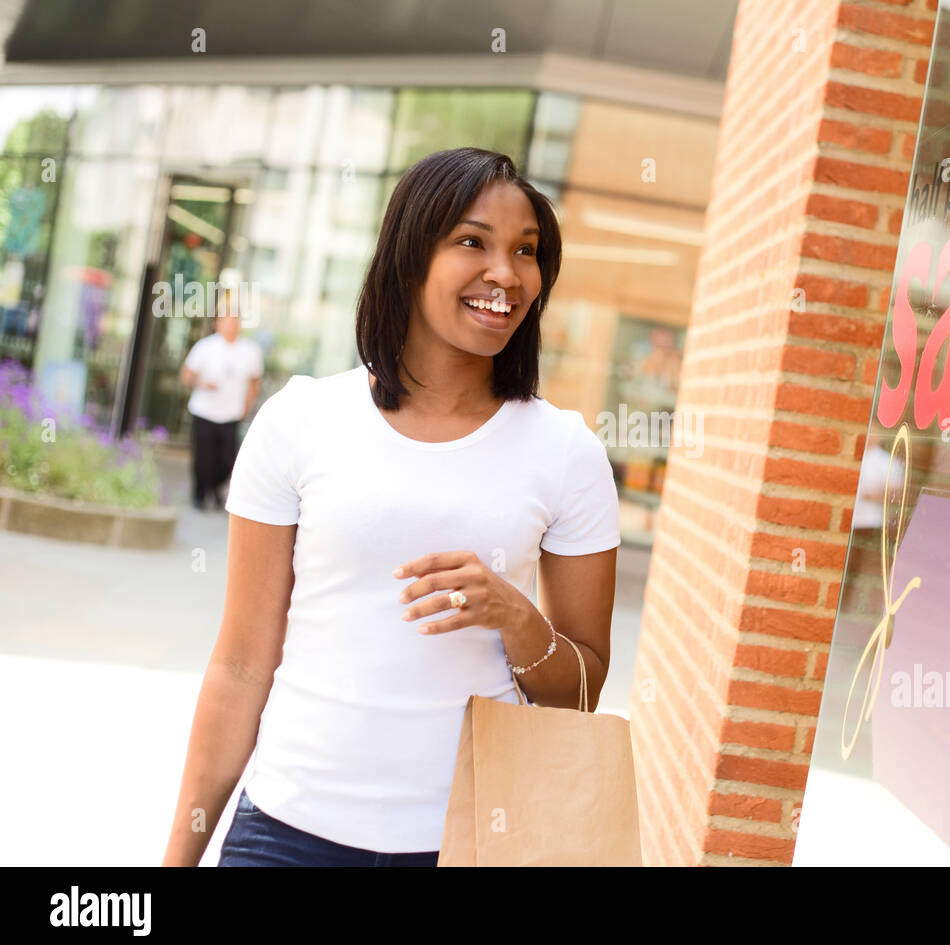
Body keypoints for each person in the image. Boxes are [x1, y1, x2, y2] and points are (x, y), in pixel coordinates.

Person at [162, 148, 621, 867]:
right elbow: (243, 664)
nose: (506, 272)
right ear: (409, 257)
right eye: (473, 242)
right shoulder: (302, 421)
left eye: (526, 251)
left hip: (463, 843)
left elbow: (580, 695)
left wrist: (519, 620)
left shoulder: (566, 453)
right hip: (282, 831)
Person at [178, 292, 263, 510]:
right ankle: (199, 494)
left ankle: (216, 489)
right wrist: (201, 383)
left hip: (231, 414)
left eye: (235, 321)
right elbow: (186, 375)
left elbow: (254, 382)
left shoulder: (250, 351)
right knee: (202, 458)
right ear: (218, 324)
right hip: (204, 411)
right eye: (226, 321)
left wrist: (247, 406)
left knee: (227, 461)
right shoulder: (205, 347)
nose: (231, 326)